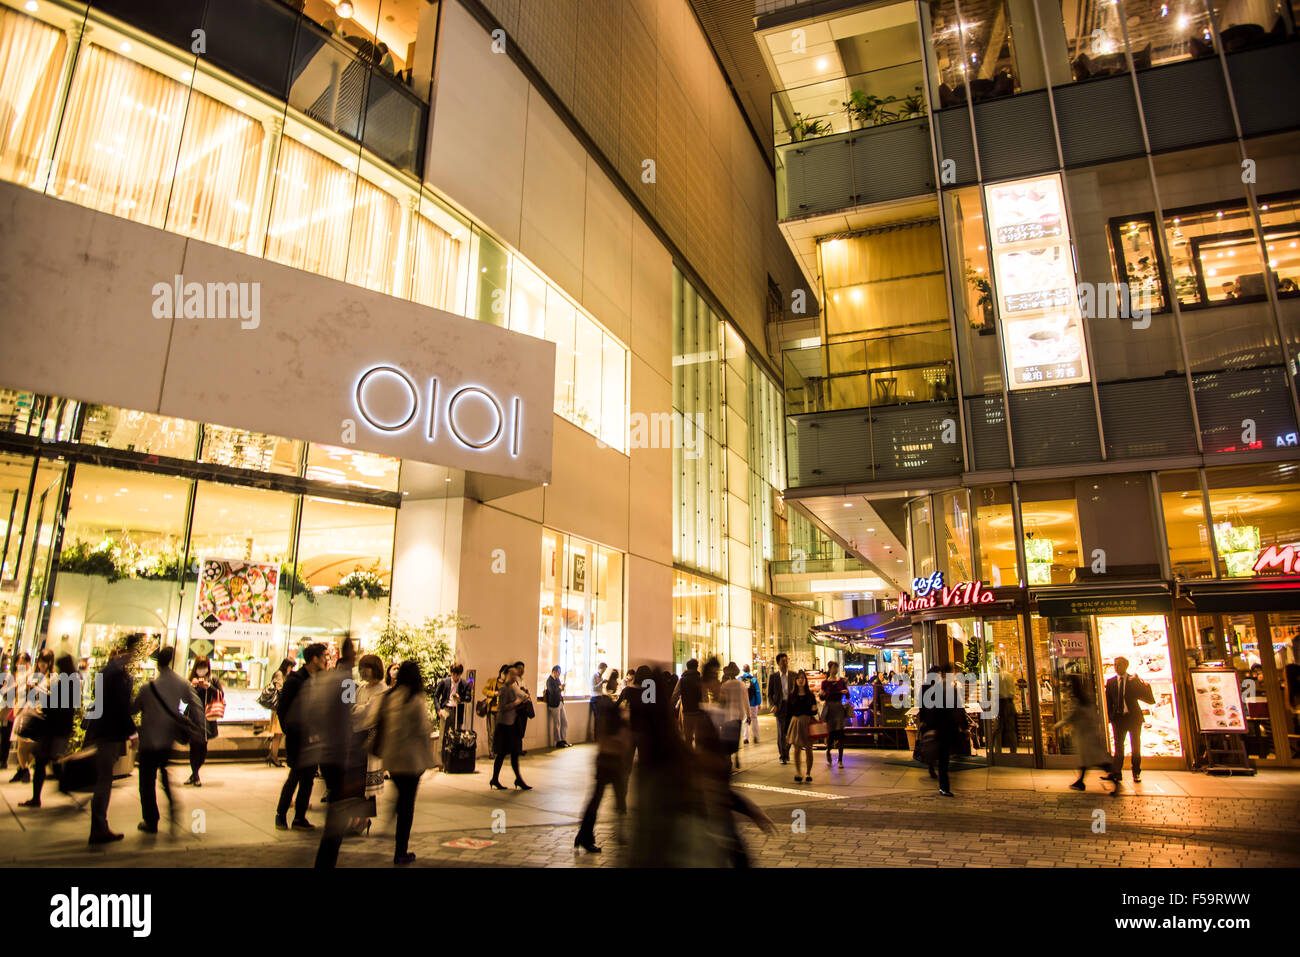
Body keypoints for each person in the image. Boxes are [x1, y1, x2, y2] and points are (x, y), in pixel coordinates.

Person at [130, 646, 201, 831]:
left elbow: (133, 709)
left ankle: (151, 820)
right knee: (164, 773)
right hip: (167, 739)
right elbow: (195, 705)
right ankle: (172, 806)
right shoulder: (180, 683)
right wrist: (199, 730)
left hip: (148, 742)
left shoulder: (148, 688)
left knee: (146, 781)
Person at [86, 633, 142, 844]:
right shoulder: (117, 673)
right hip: (108, 732)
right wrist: (132, 731)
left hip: (103, 729)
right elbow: (119, 707)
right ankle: (99, 828)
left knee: (104, 780)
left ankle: (100, 826)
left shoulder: (111, 669)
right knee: (104, 781)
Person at [378, 660, 435, 865]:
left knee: (401, 797)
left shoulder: (391, 696)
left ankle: (390, 824)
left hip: (393, 759)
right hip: (411, 760)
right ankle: (400, 850)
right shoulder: (415, 699)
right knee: (407, 805)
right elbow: (423, 729)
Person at [312, 639, 362, 868]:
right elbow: (348, 715)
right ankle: (326, 861)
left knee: (336, 807)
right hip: (340, 754)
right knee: (337, 816)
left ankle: (326, 859)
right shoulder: (347, 681)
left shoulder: (328, 679)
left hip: (326, 752)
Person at [575, 672, 631, 853]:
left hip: (605, 758)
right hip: (611, 759)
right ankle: (613, 834)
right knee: (615, 798)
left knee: (598, 798)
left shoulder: (605, 705)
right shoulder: (608, 705)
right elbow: (611, 734)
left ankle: (584, 835)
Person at [275, 642, 327, 830]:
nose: (326, 659)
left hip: (315, 737)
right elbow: (282, 709)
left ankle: (299, 817)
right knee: (295, 775)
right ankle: (280, 814)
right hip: (298, 738)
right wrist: (290, 730)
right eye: (324, 656)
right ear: (314, 658)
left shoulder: (320, 679)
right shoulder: (296, 680)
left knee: (308, 778)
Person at [19, 654, 78, 808]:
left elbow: (50, 706)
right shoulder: (73, 683)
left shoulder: (63, 684)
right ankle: (65, 786)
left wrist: (45, 702)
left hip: (52, 729)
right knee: (51, 759)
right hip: (61, 729)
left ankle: (39, 796)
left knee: (42, 761)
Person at [1053, 672, 1113, 792]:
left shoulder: (1077, 699)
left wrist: (1059, 725)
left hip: (1085, 735)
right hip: (1088, 733)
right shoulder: (1085, 697)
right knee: (1089, 760)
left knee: (1090, 760)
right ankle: (1081, 781)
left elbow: (1072, 716)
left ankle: (1110, 775)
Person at [918, 664, 967, 797]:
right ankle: (942, 783)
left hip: (939, 725)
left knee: (942, 753)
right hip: (937, 725)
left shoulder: (942, 688)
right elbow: (925, 707)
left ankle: (943, 784)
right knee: (941, 753)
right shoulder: (936, 688)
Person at [1104, 656, 1154, 786]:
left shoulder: (1133, 680)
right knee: (1118, 747)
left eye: (1119, 664)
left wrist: (1144, 685)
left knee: (1135, 746)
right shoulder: (1111, 683)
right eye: (1115, 665)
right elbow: (1109, 702)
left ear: (1125, 666)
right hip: (1119, 719)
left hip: (1133, 718)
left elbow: (1147, 697)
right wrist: (1111, 717)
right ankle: (1117, 772)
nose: (1116, 667)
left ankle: (1136, 771)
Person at [9, 651, 49, 783]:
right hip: (22, 710)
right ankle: (22, 770)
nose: (20, 664)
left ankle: (24, 770)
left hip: (28, 712)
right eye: (18, 662)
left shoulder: (30, 676)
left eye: (23, 662)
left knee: (27, 745)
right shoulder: (20, 676)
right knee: (22, 744)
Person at [355, 654, 386, 819]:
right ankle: (359, 818)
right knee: (359, 781)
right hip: (358, 738)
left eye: (367, 667)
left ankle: (364, 818)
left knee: (368, 782)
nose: (363, 671)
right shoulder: (361, 688)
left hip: (372, 740)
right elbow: (354, 710)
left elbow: (369, 712)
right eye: (361, 668)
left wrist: (358, 711)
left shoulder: (382, 689)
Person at [489, 666, 530, 790]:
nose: (514, 677)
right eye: (512, 674)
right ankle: (497, 779)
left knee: (513, 754)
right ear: (507, 675)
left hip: (511, 725)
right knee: (502, 754)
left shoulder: (514, 687)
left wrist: (525, 696)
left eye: (515, 675)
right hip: (504, 726)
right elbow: (502, 708)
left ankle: (513, 779)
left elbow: (523, 695)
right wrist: (516, 703)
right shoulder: (504, 689)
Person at [186, 657, 224, 787]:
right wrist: (192, 686)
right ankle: (195, 775)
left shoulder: (213, 680)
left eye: (204, 666)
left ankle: (194, 773)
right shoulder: (191, 680)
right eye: (199, 666)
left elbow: (220, 695)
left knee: (202, 748)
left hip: (207, 718)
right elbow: (184, 699)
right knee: (193, 747)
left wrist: (209, 687)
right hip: (193, 719)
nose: (201, 670)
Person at [786, 670, 817, 783]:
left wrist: (814, 709)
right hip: (796, 722)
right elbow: (788, 713)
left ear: (805, 680)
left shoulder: (810, 695)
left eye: (802, 678)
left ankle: (808, 772)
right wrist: (786, 729)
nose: (800, 680)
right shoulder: (792, 695)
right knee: (797, 749)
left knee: (809, 749)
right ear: (795, 680)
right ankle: (798, 772)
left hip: (808, 722)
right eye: (798, 678)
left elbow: (814, 712)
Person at [718, 662, 748, 769]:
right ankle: (737, 756)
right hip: (738, 715)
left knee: (727, 738)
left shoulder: (724, 685)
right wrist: (748, 715)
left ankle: (729, 759)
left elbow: (721, 701)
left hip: (727, 715)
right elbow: (746, 700)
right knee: (737, 737)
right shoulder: (741, 685)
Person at [265, 658, 294, 767]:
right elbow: (280, 689)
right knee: (278, 733)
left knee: (278, 734)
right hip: (279, 708)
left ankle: (272, 755)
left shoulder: (282, 674)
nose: (291, 669)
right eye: (291, 666)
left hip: (279, 708)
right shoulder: (279, 674)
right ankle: (274, 757)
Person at [820, 660, 849, 768]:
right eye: (833, 668)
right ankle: (828, 751)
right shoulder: (825, 683)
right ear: (830, 669)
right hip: (829, 709)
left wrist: (846, 693)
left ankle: (840, 759)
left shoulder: (841, 682)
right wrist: (822, 694)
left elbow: (847, 695)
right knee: (831, 734)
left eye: (836, 668)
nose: (835, 670)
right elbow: (822, 697)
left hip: (838, 708)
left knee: (841, 734)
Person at [766, 653, 793, 764]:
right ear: (778, 663)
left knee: (791, 732)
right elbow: (769, 694)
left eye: (786, 661)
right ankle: (783, 755)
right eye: (783, 662)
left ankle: (786, 751)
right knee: (781, 733)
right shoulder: (773, 677)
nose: (785, 664)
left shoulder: (793, 675)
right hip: (780, 707)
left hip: (791, 707)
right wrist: (773, 705)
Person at [482, 664, 507, 758]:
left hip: (502, 711)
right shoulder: (492, 681)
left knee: (499, 732)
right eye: (504, 673)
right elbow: (484, 690)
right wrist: (494, 693)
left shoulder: (507, 684)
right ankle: (491, 752)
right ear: (500, 672)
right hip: (492, 710)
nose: (505, 676)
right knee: (492, 732)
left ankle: (498, 751)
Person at [511, 660, 534, 752]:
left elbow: (526, 692)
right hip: (517, 707)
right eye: (519, 668)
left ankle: (519, 749)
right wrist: (524, 693)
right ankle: (515, 749)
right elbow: (517, 693)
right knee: (518, 728)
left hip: (524, 707)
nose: (522, 670)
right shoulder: (514, 681)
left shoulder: (523, 680)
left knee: (522, 728)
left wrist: (526, 692)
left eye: (523, 669)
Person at [995, 663, 1018, 753]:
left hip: (1000, 703)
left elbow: (996, 691)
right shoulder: (1010, 676)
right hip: (1010, 703)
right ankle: (1013, 750)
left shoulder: (997, 676)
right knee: (1011, 729)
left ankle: (998, 751)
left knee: (998, 729)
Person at [544, 665, 569, 747]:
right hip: (554, 704)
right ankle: (558, 741)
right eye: (558, 672)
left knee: (564, 721)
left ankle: (563, 739)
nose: (559, 674)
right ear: (554, 672)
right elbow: (553, 692)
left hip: (560, 702)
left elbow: (558, 690)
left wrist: (561, 688)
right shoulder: (549, 681)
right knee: (557, 723)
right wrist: (560, 688)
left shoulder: (557, 680)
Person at [587, 661, 608, 739]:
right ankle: (596, 736)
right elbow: (593, 688)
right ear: (600, 668)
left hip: (600, 697)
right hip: (595, 698)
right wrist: (601, 683)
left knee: (601, 717)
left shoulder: (601, 677)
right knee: (597, 717)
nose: (604, 672)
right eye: (603, 670)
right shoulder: (594, 676)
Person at [741, 664, 761, 744]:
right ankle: (755, 736)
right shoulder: (754, 680)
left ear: (743, 670)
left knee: (745, 720)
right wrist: (758, 702)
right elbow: (757, 692)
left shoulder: (740, 679)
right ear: (749, 670)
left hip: (743, 704)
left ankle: (745, 738)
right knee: (754, 719)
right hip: (753, 703)